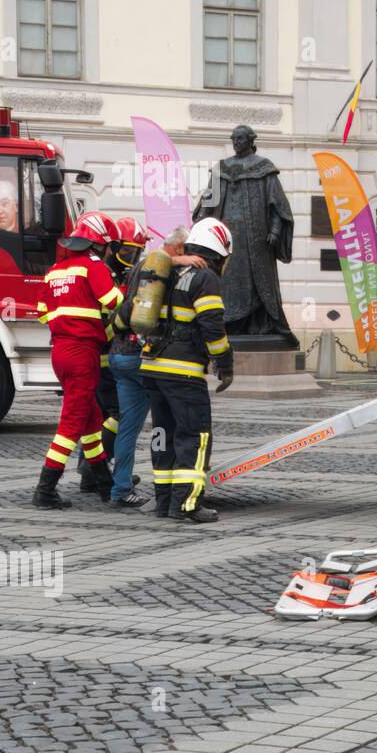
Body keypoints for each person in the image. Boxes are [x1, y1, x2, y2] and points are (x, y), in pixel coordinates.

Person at [136, 217, 234, 523]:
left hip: (152, 367)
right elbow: (212, 327)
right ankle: (187, 504)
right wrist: (225, 362)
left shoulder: (163, 270)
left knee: (162, 434)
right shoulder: (205, 278)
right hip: (183, 371)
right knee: (194, 435)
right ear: (219, 253)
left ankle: (164, 501)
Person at [32, 212, 123, 509]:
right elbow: (115, 303)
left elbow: (43, 312)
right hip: (82, 353)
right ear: (100, 245)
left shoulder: (55, 270)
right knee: (72, 424)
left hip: (60, 351)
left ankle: (104, 484)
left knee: (91, 420)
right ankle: (45, 489)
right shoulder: (92, 267)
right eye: (110, 246)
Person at [100, 218, 152, 508]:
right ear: (113, 247)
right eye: (128, 252)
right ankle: (107, 478)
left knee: (113, 420)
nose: (131, 259)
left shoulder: (123, 275)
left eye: (135, 254)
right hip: (112, 357)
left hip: (112, 357)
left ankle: (105, 477)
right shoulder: (107, 275)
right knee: (122, 420)